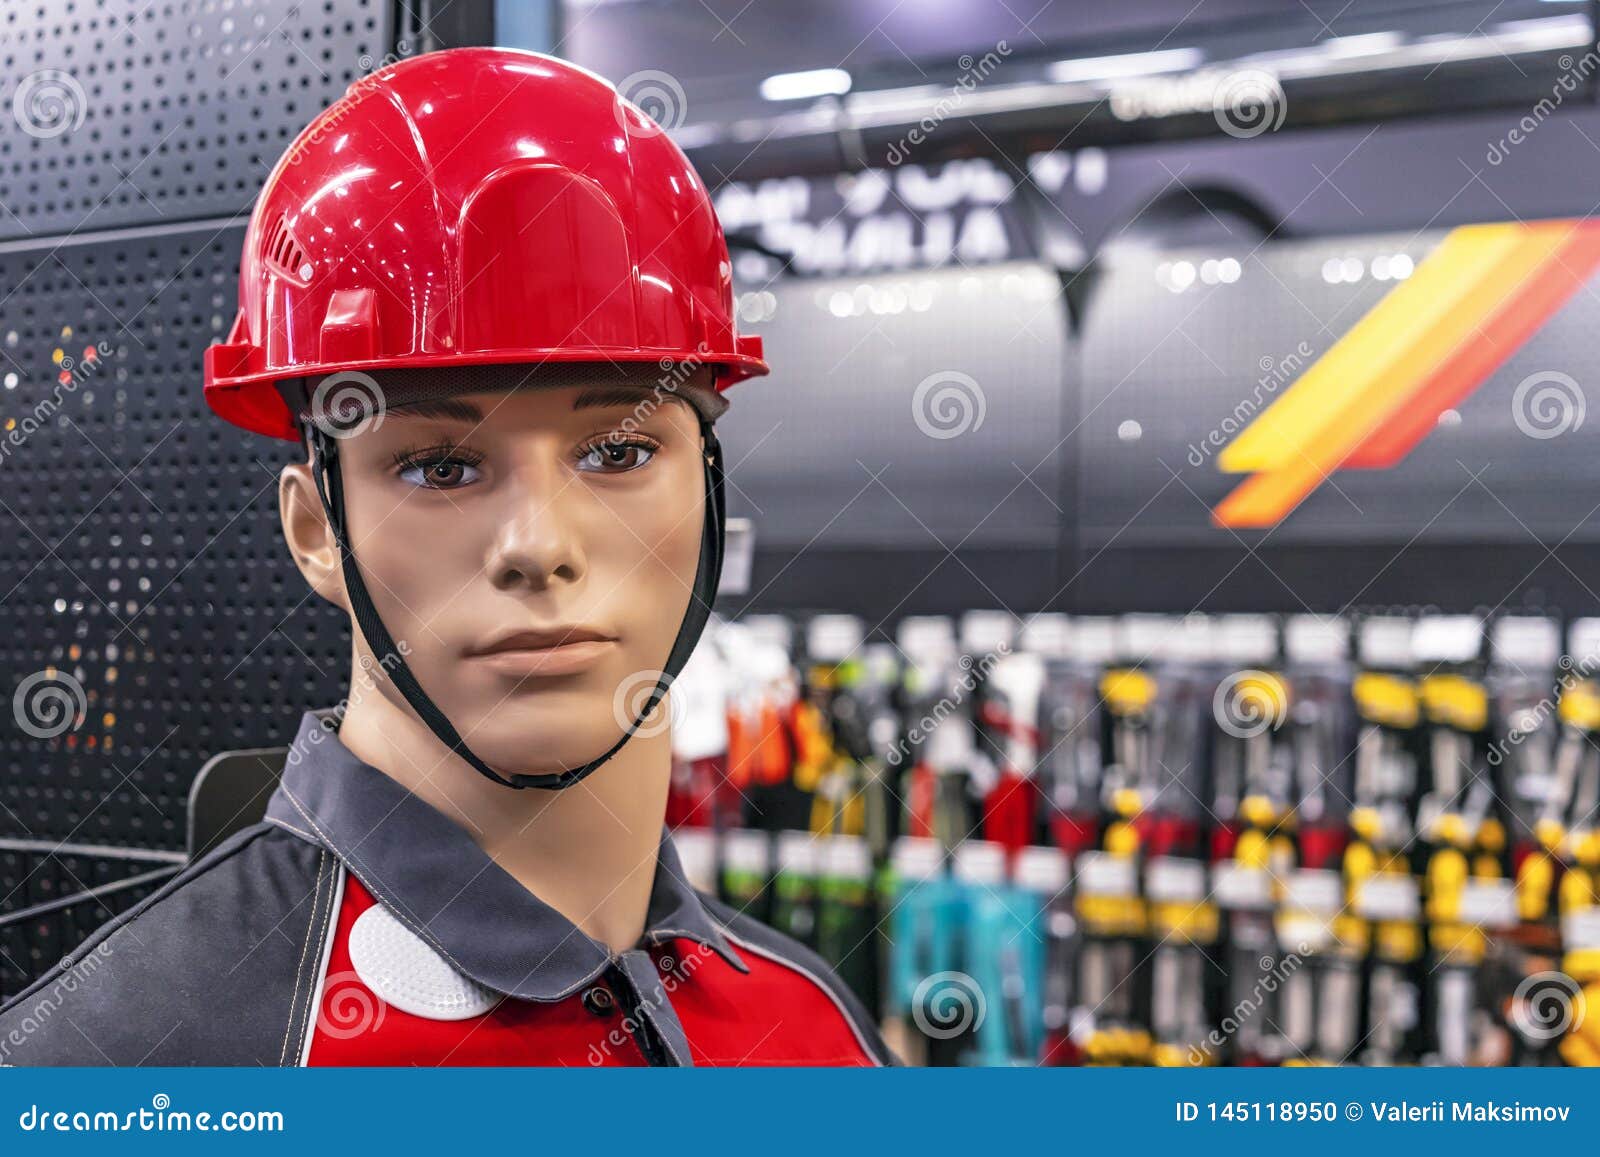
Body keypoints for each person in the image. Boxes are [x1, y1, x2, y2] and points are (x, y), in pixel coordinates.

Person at [0, 47, 892, 1067]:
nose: (540, 547)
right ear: (313, 530)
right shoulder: (123, 1055)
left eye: (619, 449)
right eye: (437, 466)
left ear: (710, 486)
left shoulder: (816, 1031)